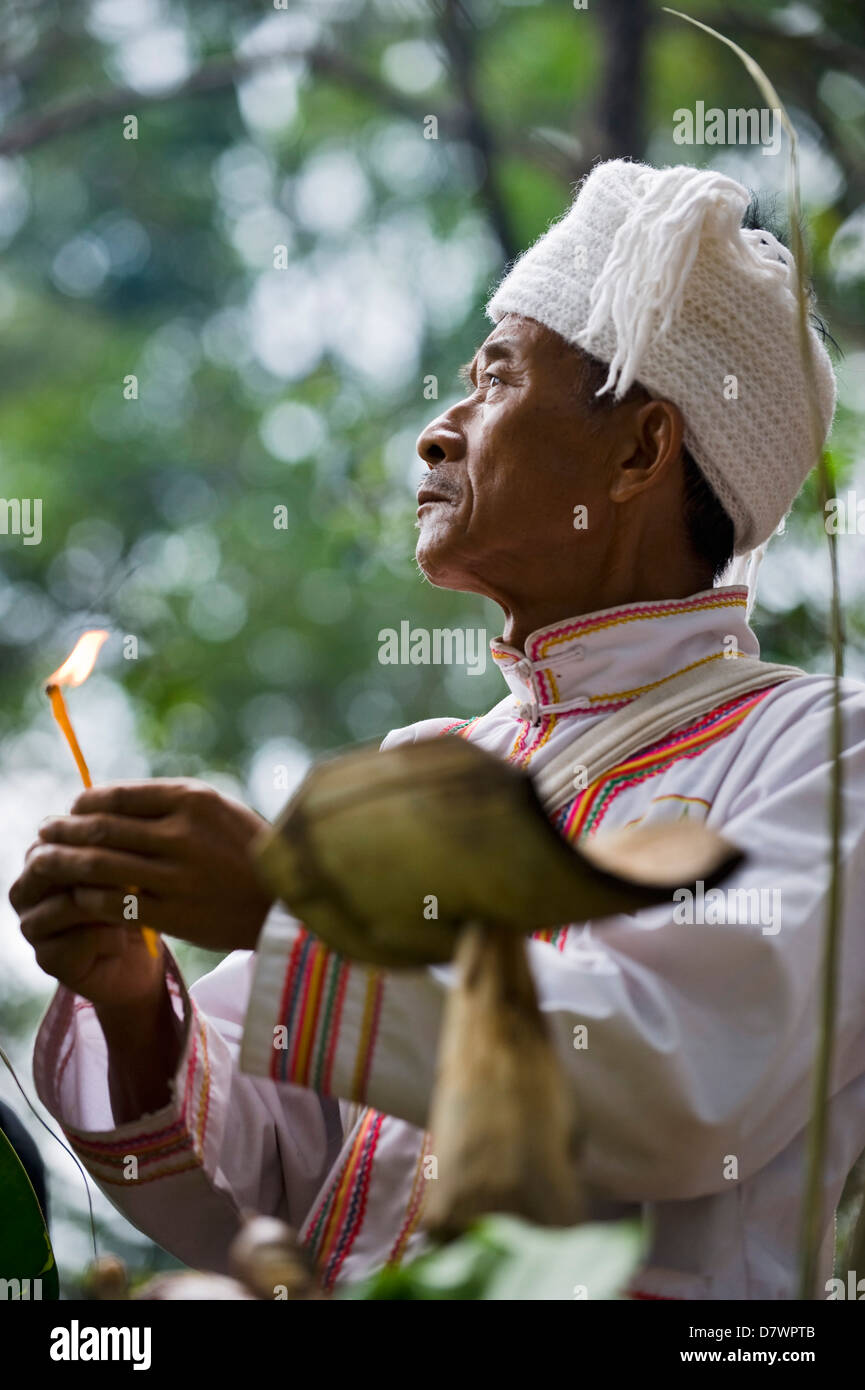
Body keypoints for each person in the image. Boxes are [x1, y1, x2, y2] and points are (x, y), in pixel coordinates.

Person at [12, 160, 865, 1300]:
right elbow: (269, 1172)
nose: (437, 429)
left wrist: (279, 913)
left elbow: (676, 1081)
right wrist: (132, 1002)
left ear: (639, 452)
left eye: (497, 378)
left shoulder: (817, 751)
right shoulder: (433, 764)